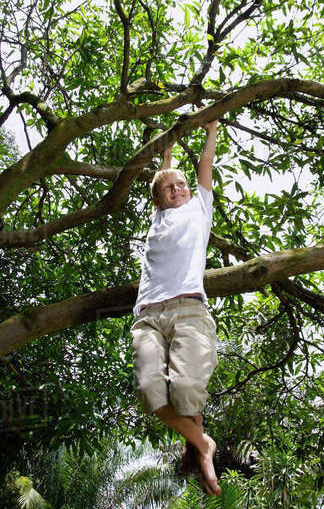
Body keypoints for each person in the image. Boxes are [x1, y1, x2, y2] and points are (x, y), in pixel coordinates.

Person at [131, 120, 221, 496]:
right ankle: (202, 444)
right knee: (151, 390)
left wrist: (211, 130)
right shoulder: (158, 219)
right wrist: (166, 153)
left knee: (185, 389)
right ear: (158, 199)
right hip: (148, 315)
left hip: (188, 308)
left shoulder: (199, 210)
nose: (177, 188)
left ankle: (197, 448)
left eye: (182, 184)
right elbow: (163, 172)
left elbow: (204, 165)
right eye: (169, 187)